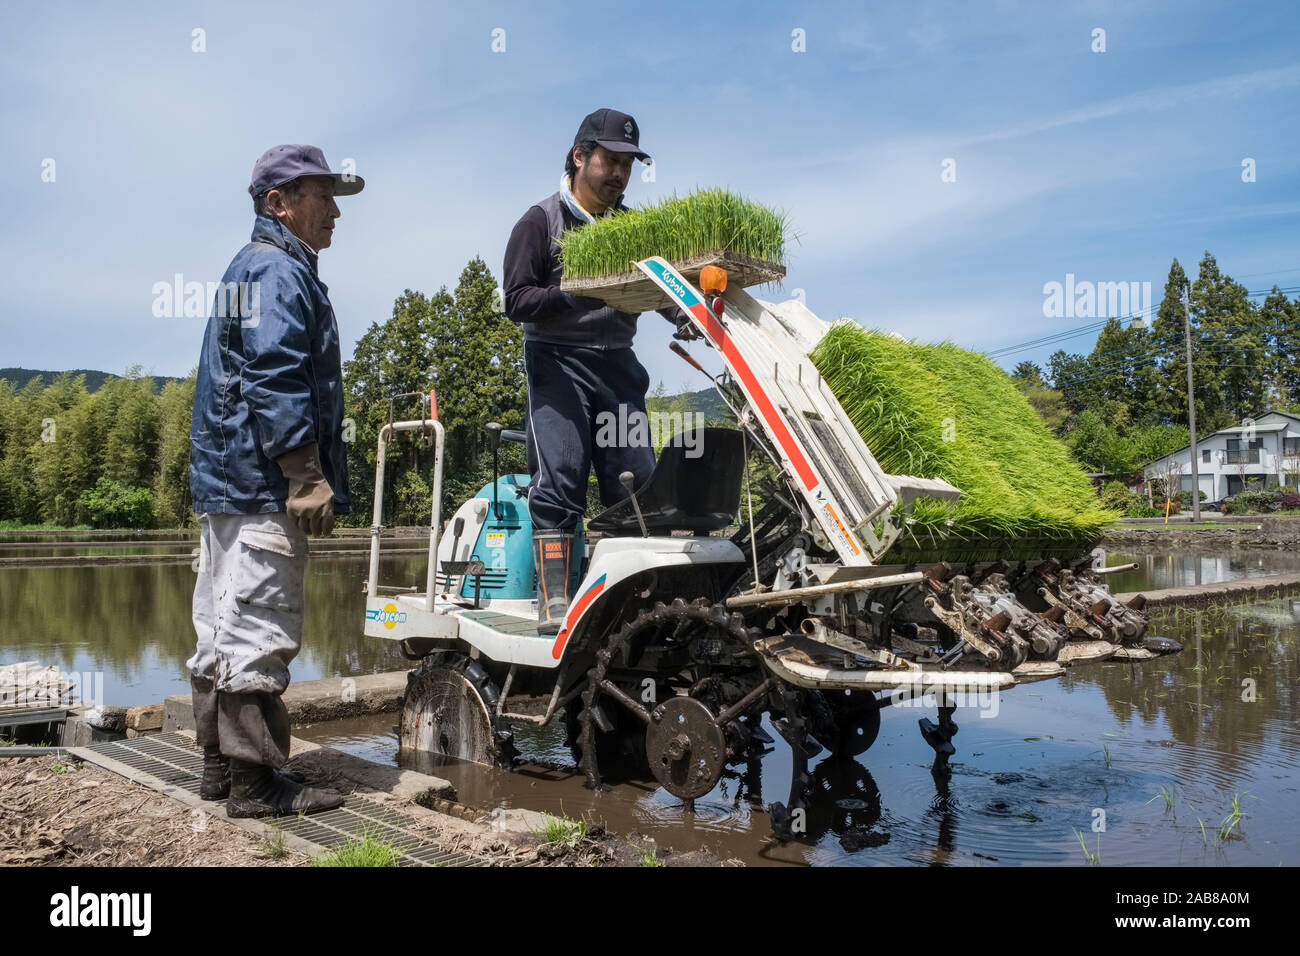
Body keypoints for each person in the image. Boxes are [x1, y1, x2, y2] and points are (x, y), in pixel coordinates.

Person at [187, 144, 362, 818]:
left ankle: (218, 770)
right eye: (321, 194)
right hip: (261, 486)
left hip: (231, 484)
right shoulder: (277, 270)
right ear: (277, 203)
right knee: (259, 627)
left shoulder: (255, 267)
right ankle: (256, 784)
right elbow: (274, 374)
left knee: (222, 627)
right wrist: (305, 476)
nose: (335, 211)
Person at [503, 108, 695, 634]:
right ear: (579, 156)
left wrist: (687, 314)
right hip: (558, 366)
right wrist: (575, 291)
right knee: (560, 474)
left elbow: (662, 287)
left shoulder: (633, 229)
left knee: (635, 482)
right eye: (609, 160)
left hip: (618, 371)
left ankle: (631, 605)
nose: (617, 174)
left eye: (627, 165)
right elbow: (516, 300)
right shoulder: (539, 222)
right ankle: (556, 602)